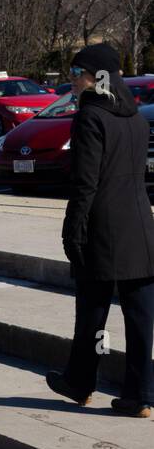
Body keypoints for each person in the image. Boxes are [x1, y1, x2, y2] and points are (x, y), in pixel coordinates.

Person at [49, 42, 154, 417]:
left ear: (98, 78)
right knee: (141, 317)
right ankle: (141, 395)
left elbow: (85, 184)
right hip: (141, 227)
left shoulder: (91, 118)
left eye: (77, 75)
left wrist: (72, 231)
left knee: (92, 313)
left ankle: (80, 382)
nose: (72, 82)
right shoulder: (137, 118)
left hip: (103, 230)